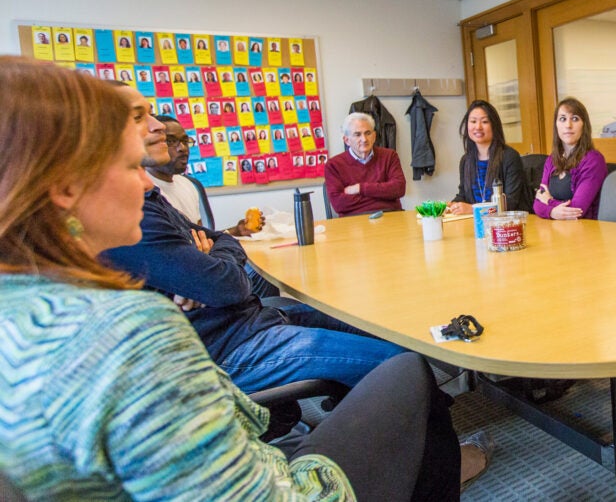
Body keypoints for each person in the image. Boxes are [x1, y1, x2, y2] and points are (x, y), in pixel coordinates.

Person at [0, 56, 477, 500]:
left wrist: (196, 268)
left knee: (368, 334)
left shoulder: (33, 302)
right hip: (247, 368)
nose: (147, 183)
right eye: (129, 167)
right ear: (63, 187)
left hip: (240, 331)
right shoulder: (127, 331)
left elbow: (220, 246)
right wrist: (188, 279)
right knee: (409, 371)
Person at [446, 100, 530, 215]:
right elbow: (463, 195)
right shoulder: (466, 160)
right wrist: (452, 205)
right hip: (475, 224)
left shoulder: (509, 157)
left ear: (494, 125)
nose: (478, 127)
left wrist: (473, 209)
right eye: (473, 121)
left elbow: (511, 202)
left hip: (505, 225)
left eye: (484, 122)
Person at [533, 97, 607, 220]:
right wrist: (552, 212)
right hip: (557, 229)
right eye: (562, 119)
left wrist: (549, 201)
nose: (568, 125)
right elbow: (537, 204)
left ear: (584, 125)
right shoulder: (551, 160)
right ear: (556, 125)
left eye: (575, 119)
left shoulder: (593, 160)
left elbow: (577, 210)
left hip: (586, 231)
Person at [325, 113, 407, 216]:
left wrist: (360, 188)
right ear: (347, 140)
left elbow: (399, 189)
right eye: (357, 134)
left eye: (368, 133)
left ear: (374, 136)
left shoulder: (390, 156)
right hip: (354, 221)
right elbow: (339, 204)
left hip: (389, 216)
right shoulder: (334, 165)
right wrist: (383, 195)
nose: (364, 139)